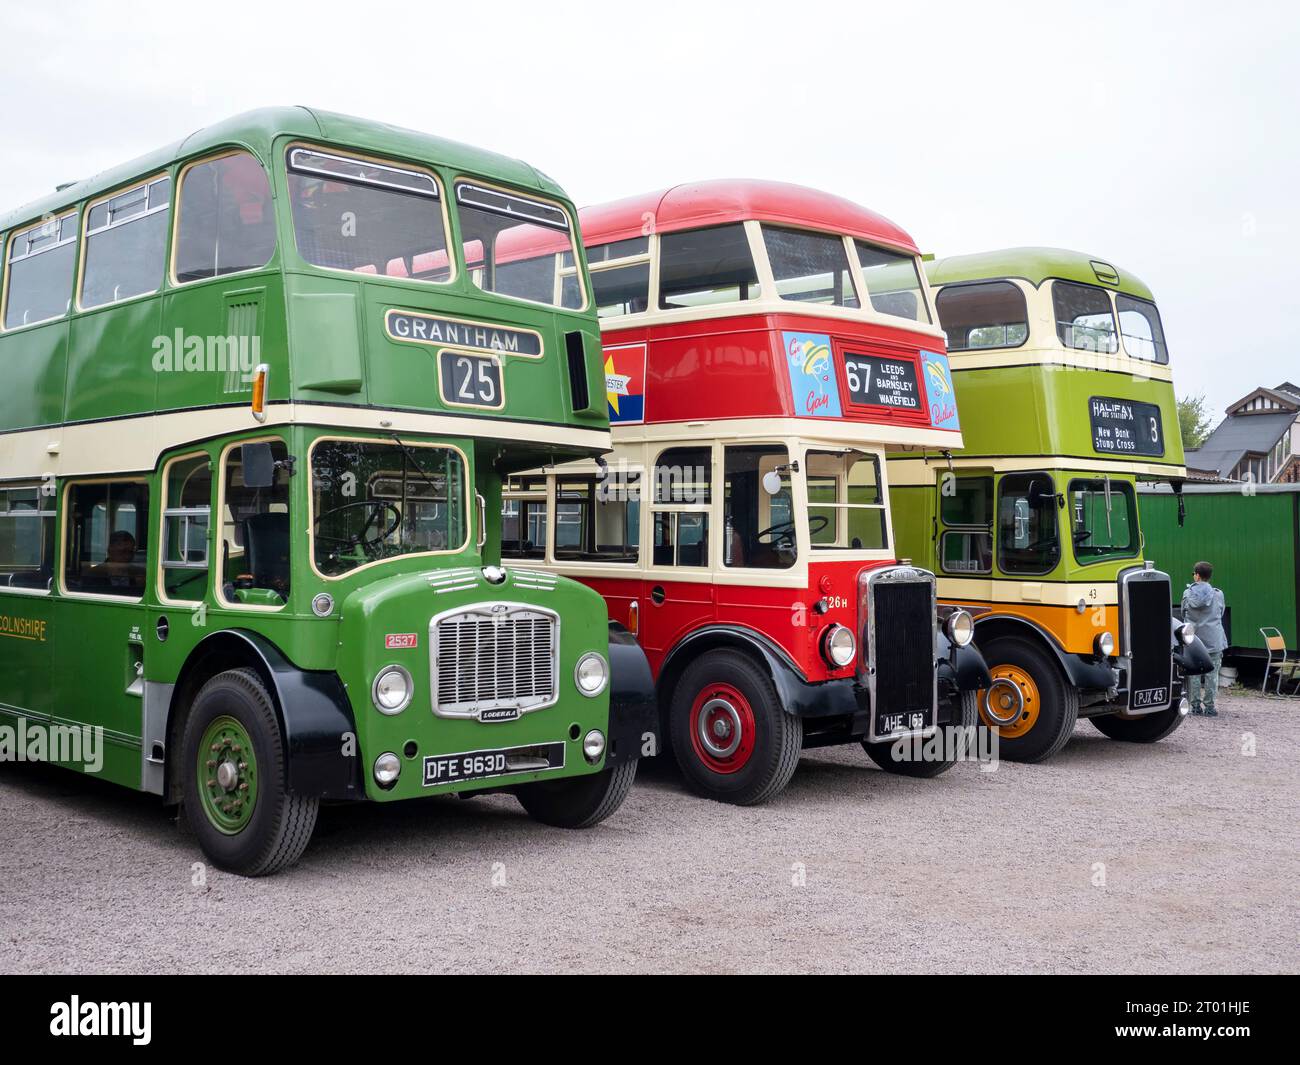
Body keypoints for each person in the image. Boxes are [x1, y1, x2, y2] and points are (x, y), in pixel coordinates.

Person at [1182, 561, 1227, 716]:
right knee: (1212, 674)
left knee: (1194, 674)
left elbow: (1183, 614)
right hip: (1214, 639)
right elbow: (1220, 613)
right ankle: (1210, 707)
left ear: (1197, 575)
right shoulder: (1218, 594)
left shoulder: (1187, 594)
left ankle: (1194, 706)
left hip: (1193, 641)